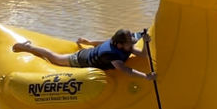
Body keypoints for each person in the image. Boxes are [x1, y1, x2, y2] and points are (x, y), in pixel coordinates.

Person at [13, 29, 156, 81]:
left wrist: (146, 41)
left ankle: (29, 47)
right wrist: (146, 76)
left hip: (90, 51)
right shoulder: (112, 55)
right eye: (129, 43)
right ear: (119, 45)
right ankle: (28, 47)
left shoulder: (123, 45)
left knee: (55, 57)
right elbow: (126, 70)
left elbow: (143, 54)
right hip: (79, 59)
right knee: (54, 58)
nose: (132, 45)